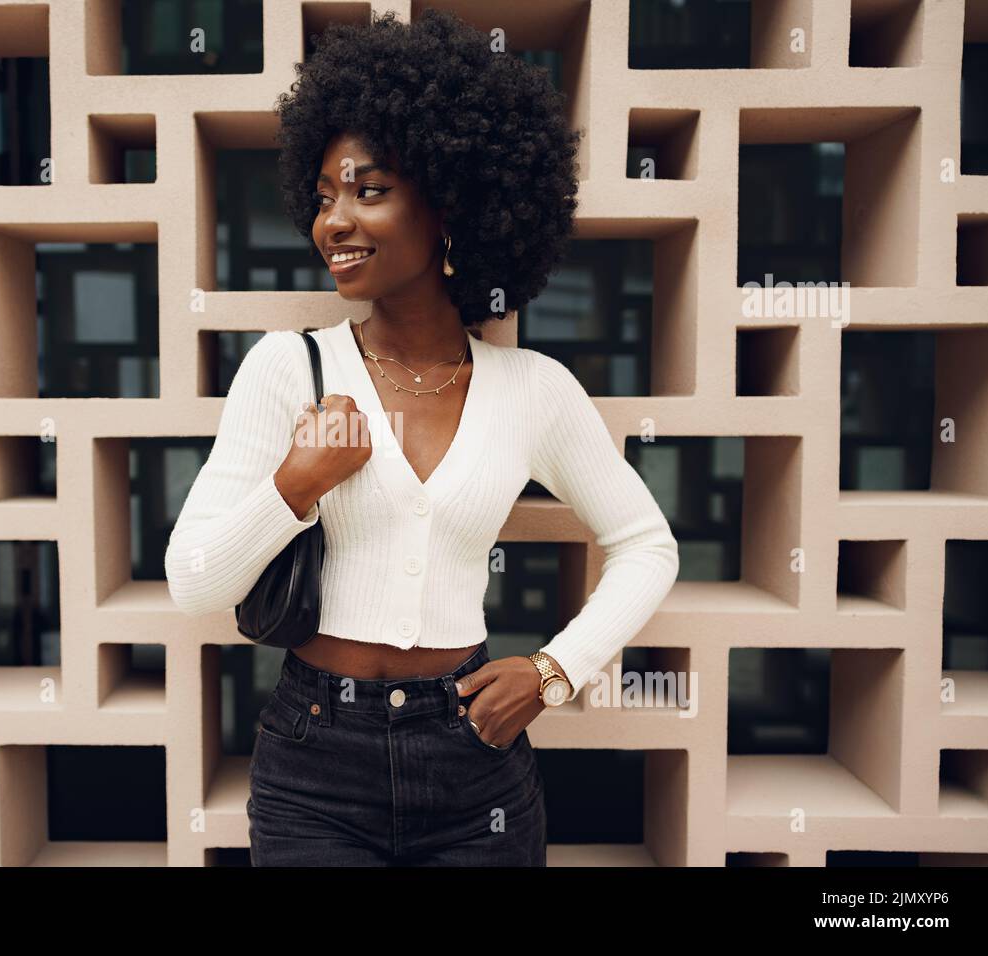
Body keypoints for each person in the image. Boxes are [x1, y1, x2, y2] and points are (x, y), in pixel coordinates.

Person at [165, 9, 679, 866]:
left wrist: (553, 673)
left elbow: (647, 545)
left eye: (368, 191)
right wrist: (296, 484)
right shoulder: (288, 369)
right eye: (325, 196)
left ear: (450, 204)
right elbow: (190, 583)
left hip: (474, 762)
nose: (335, 221)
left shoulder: (533, 390)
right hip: (313, 763)